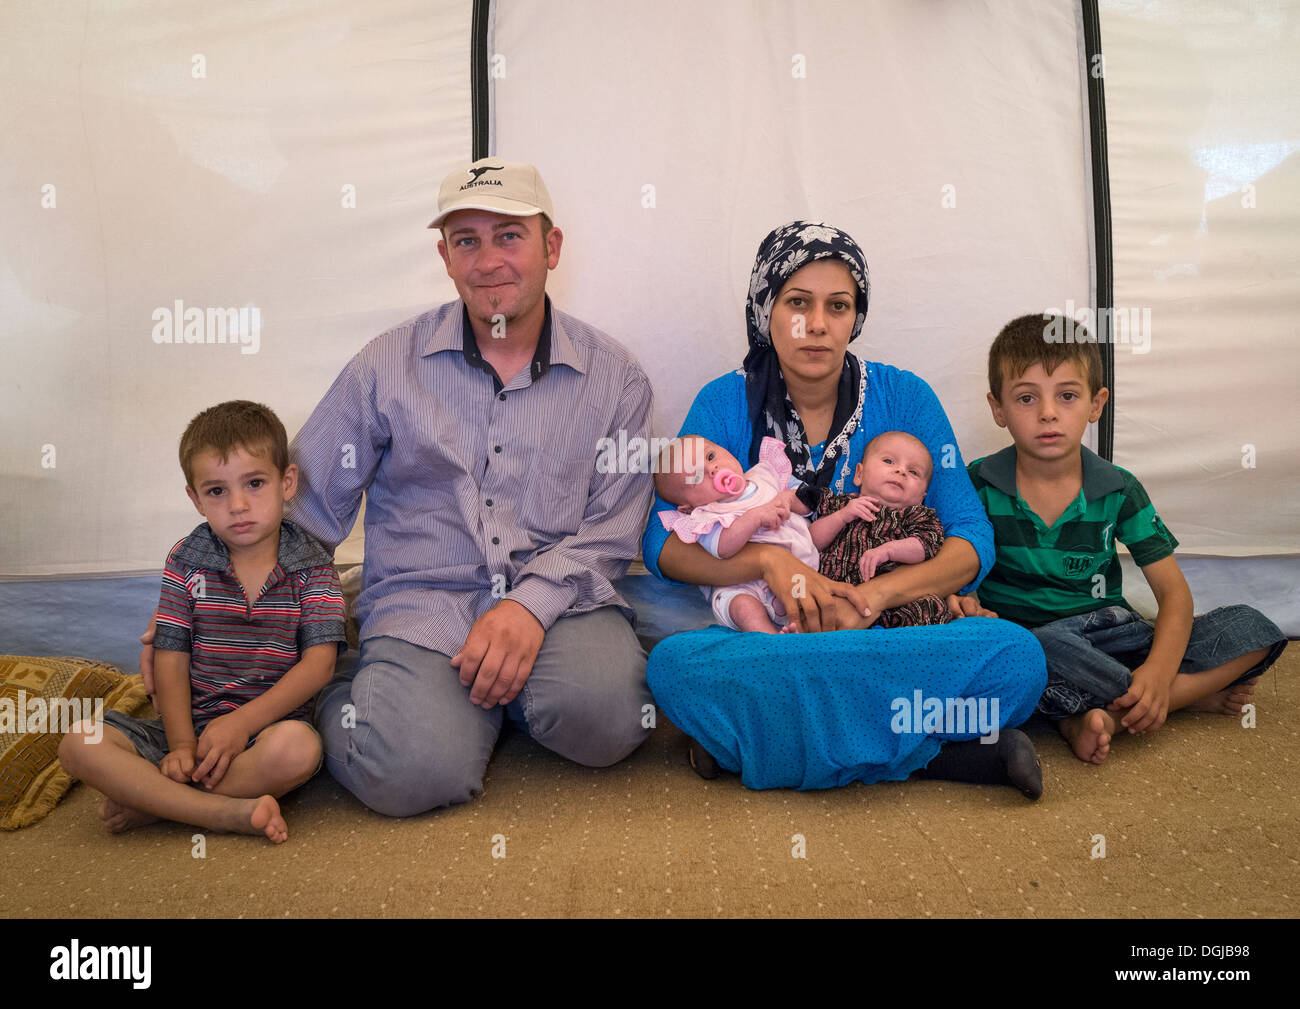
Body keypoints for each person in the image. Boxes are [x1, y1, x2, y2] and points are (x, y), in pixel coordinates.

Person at [137, 157, 651, 819]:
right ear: (444, 257)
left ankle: (495, 702)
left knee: (610, 720)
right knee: (403, 771)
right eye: (467, 240)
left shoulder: (617, 377)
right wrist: (194, 600)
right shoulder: (386, 364)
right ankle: (354, 682)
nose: (488, 259)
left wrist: (529, 606)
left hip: (560, 603)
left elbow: (612, 527)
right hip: (421, 602)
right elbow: (300, 507)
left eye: (509, 236)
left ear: (552, 246)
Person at [641, 221, 1047, 795]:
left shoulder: (904, 397)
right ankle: (935, 755)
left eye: (839, 305)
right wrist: (768, 564)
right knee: (675, 666)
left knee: (1017, 657)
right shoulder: (724, 400)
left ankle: (759, 746)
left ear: (856, 317)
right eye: (798, 302)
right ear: (766, 309)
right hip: (777, 633)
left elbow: (969, 539)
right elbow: (662, 544)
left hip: (885, 629)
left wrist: (877, 596)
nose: (818, 325)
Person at [963, 313, 1288, 765]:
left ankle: (1128, 704)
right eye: (1025, 398)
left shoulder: (1118, 488)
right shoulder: (977, 483)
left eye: (1068, 396)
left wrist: (1156, 669)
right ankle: (1173, 700)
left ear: (1096, 405)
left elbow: (1174, 595)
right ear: (998, 408)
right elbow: (959, 571)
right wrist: (969, 603)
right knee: (1017, 653)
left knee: (1254, 627)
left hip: (1107, 637)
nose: (1048, 413)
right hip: (1025, 643)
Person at [62, 401, 346, 843]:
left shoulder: (312, 565)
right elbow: (170, 659)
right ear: (195, 499)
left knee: (299, 749)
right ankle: (219, 813)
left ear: (287, 482)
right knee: (79, 742)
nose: (238, 505)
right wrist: (179, 746)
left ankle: (156, 804)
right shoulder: (186, 560)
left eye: (254, 483)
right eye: (216, 491)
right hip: (186, 727)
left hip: (264, 733)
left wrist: (241, 724)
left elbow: (319, 665)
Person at [653, 434, 816, 634]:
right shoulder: (706, 516)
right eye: (696, 477)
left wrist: (789, 499)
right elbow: (723, 548)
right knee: (743, 608)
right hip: (746, 586)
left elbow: (809, 505)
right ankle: (771, 640)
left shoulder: (766, 474)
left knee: (809, 596)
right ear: (688, 507)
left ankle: (799, 630)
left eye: (711, 456)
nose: (712, 469)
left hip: (800, 564)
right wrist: (755, 517)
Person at [813, 430, 952, 628]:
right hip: (832, 593)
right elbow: (811, 541)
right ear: (859, 474)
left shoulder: (916, 515)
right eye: (889, 461)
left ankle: (900, 650)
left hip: (894, 603)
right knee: (802, 598)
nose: (901, 471)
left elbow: (926, 546)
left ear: (922, 496)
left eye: (913, 472)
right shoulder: (840, 504)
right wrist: (841, 517)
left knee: (930, 607)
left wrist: (889, 550)